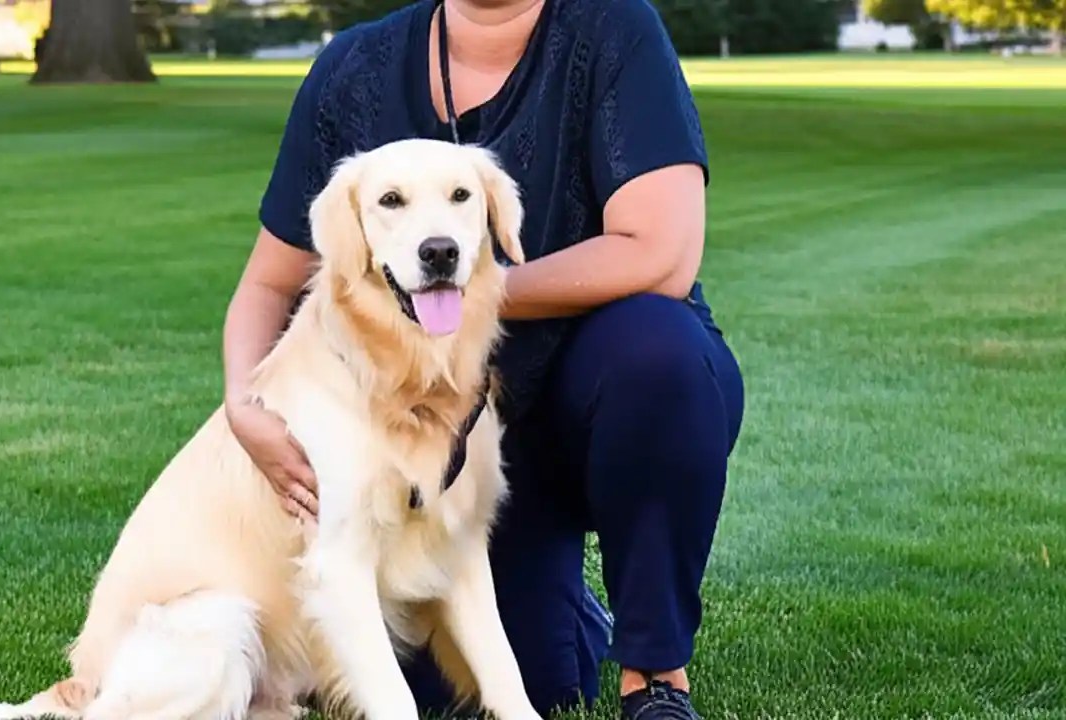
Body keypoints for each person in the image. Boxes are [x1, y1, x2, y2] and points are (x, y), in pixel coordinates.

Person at [221, 0, 745, 717]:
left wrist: (466, 293)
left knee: (660, 356)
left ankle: (654, 678)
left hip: (583, 403)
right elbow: (270, 281)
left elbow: (662, 256)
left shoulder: (614, 31)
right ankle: (560, 603)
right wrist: (243, 408)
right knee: (507, 683)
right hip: (431, 455)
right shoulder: (353, 69)